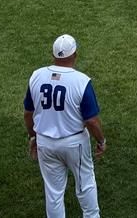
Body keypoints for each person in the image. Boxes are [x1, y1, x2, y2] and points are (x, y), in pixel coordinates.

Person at [25, 34, 106, 218]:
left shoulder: (36, 76)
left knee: (53, 193)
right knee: (85, 185)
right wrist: (101, 141)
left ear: (53, 54)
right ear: (75, 54)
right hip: (74, 143)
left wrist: (33, 136)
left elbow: (28, 113)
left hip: (45, 143)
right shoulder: (81, 81)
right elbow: (91, 121)